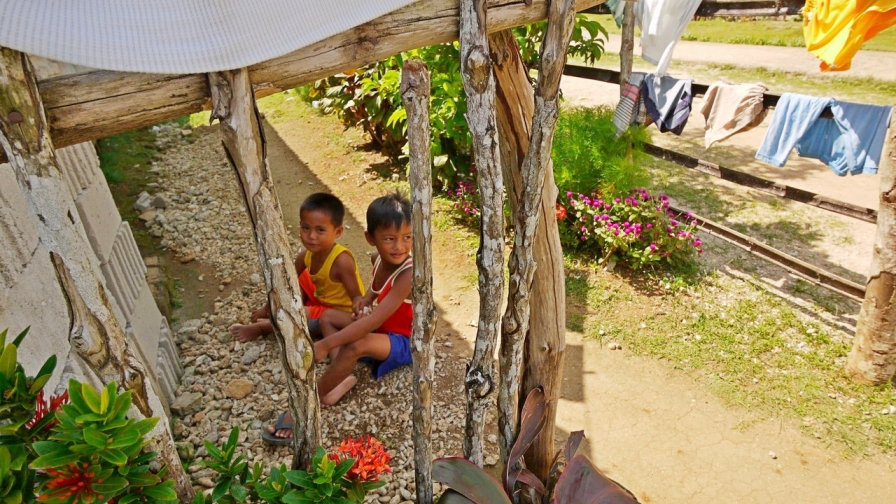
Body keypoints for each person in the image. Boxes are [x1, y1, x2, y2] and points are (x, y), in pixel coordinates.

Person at [263, 191, 413, 445]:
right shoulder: (378, 259)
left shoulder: (408, 274)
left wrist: (326, 344)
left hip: (405, 341)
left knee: (357, 344)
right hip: (383, 329)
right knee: (328, 318)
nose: (399, 246)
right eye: (389, 238)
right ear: (370, 238)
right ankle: (340, 376)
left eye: (407, 237)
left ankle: (307, 405)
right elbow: (375, 289)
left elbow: (373, 322)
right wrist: (365, 300)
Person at [230, 192, 365, 343]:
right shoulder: (305, 256)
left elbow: (357, 297)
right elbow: (284, 283)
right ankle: (279, 315)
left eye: (320, 230)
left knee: (298, 312)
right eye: (306, 228)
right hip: (320, 302)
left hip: (338, 315)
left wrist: (361, 316)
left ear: (338, 232)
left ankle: (264, 327)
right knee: (296, 279)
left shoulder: (341, 261)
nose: (311, 236)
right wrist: (267, 308)